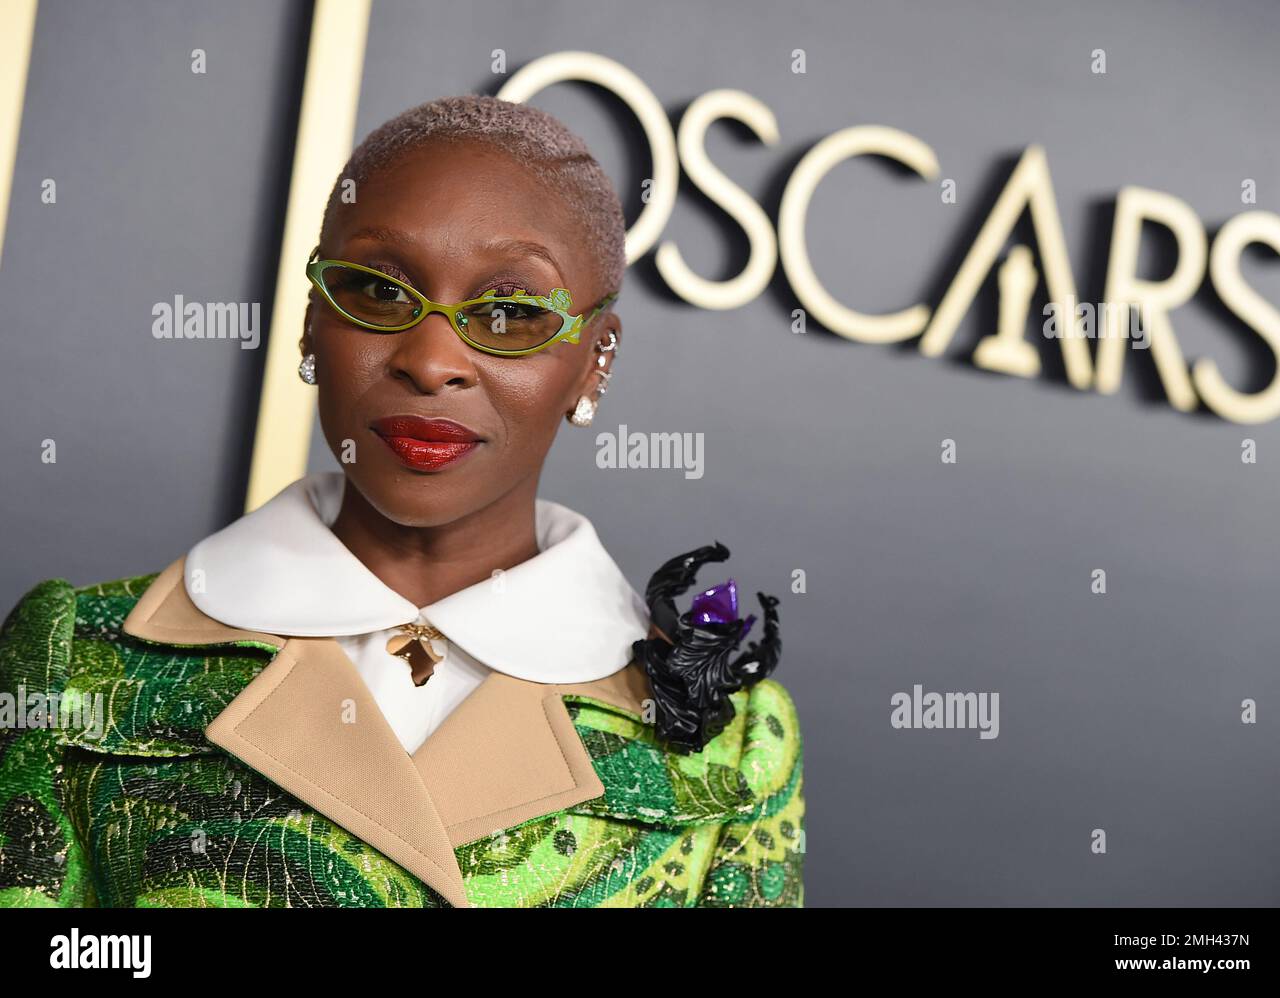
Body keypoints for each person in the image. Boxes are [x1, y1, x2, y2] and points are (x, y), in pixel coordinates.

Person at [0, 95, 804, 908]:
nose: (430, 360)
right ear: (313, 322)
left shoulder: (736, 740)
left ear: (596, 361)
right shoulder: (75, 661)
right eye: (379, 292)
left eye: (512, 312)